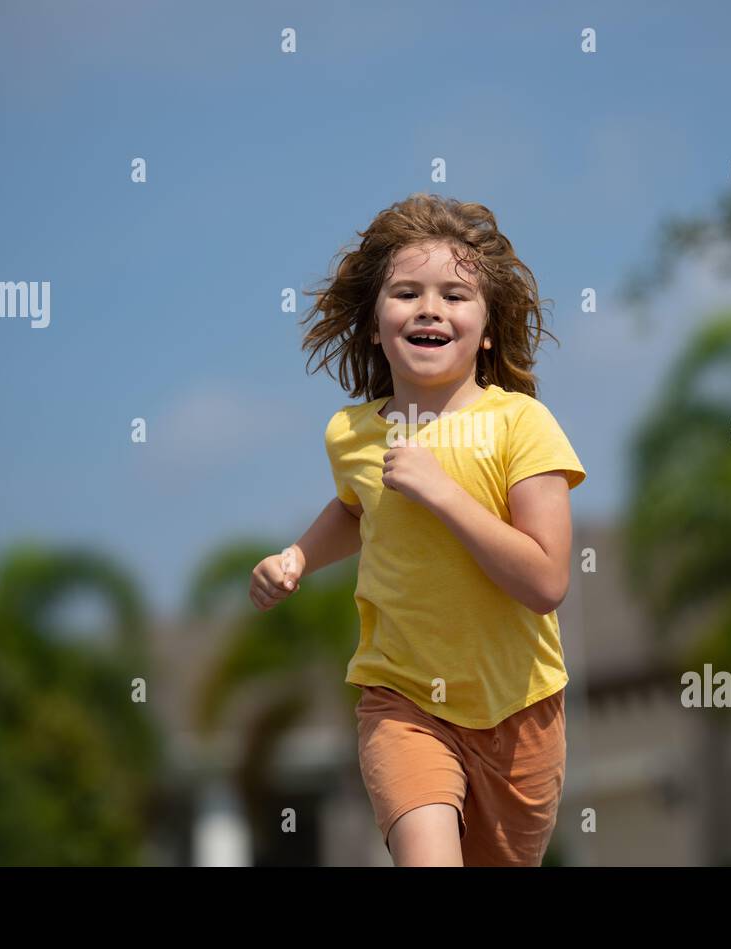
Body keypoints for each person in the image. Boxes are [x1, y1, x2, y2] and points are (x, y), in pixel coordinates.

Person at [250, 193, 586, 866]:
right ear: (376, 324)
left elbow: (546, 580)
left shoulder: (521, 425)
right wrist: (296, 557)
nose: (430, 307)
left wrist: (443, 494)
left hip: (519, 713)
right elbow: (354, 509)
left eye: (456, 295)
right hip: (402, 701)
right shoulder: (352, 435)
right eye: (407, 292)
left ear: (489, 329)